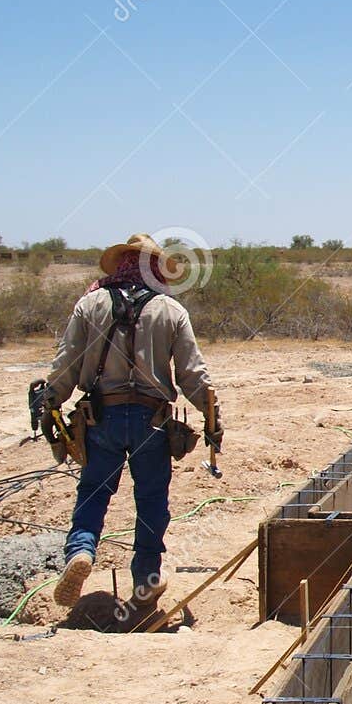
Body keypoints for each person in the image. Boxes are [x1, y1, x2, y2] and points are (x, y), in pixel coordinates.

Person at [45, 233, 218, 615]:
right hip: (151, 421)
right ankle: (145, 577)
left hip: (100, 417)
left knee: (93, 491)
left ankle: (82, 550)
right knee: (152, 499)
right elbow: (193, 374)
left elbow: (66, 366)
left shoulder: (89, 304)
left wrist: (51, 403)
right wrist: (210, 415)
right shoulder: (170, 311)